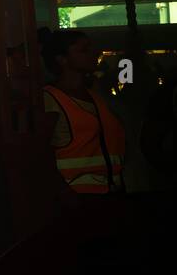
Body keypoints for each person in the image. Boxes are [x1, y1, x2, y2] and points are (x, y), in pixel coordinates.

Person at [38, 27, 126, 194]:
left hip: (109, 194)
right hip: (78, 199)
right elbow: (40, 154)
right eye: (84, 50)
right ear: (62, 60)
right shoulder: (50, 99)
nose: (94, 53)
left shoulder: (96, 97)